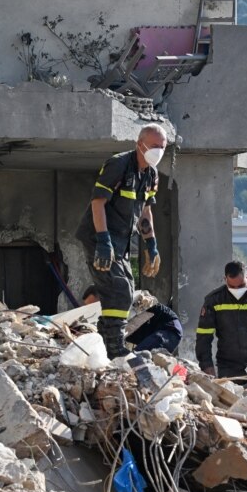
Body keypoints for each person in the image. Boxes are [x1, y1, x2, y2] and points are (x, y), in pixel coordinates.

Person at [75, 124, 167, 359]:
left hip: (122, 241)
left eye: (163, 147)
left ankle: (105, 343)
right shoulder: (119, 165)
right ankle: (114, 347)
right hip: (100, 235)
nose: (159, 151)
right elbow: (98, 203)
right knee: (119, 289)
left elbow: (146, 211)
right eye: (155, 146)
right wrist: (103, 241)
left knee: (126, 286)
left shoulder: (151, 175)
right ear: (140, 144)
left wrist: (152, 245)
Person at [82, 287, 184, 354]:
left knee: (137, 358)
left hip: (168, 329)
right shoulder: (106, 319)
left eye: (94, 305)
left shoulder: (124, 303)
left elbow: (147, 301)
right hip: (153, 334)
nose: (93, 310)